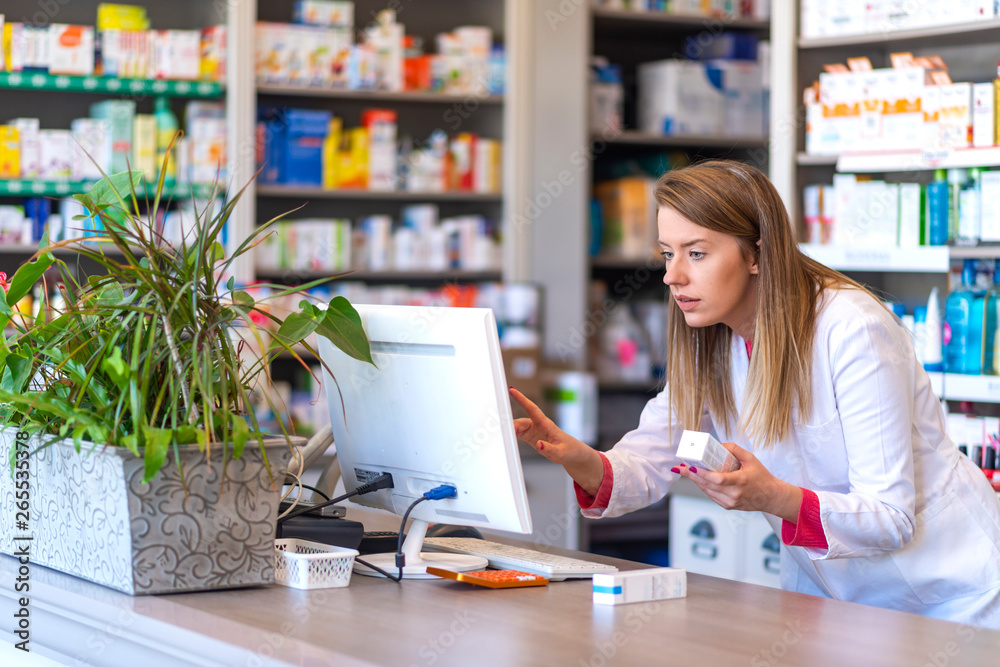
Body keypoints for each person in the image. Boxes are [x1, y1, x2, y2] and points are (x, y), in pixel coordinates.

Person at [509, 159, 1000, 629]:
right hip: (837, 597)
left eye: (696, 253)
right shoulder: (713, 339)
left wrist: (773, 496)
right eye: (667, 253)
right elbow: (648, 462)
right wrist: (579, 458)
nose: (672, 276)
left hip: (950, 596)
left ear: (757, 254)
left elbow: (890, 519)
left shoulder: (851, 329)